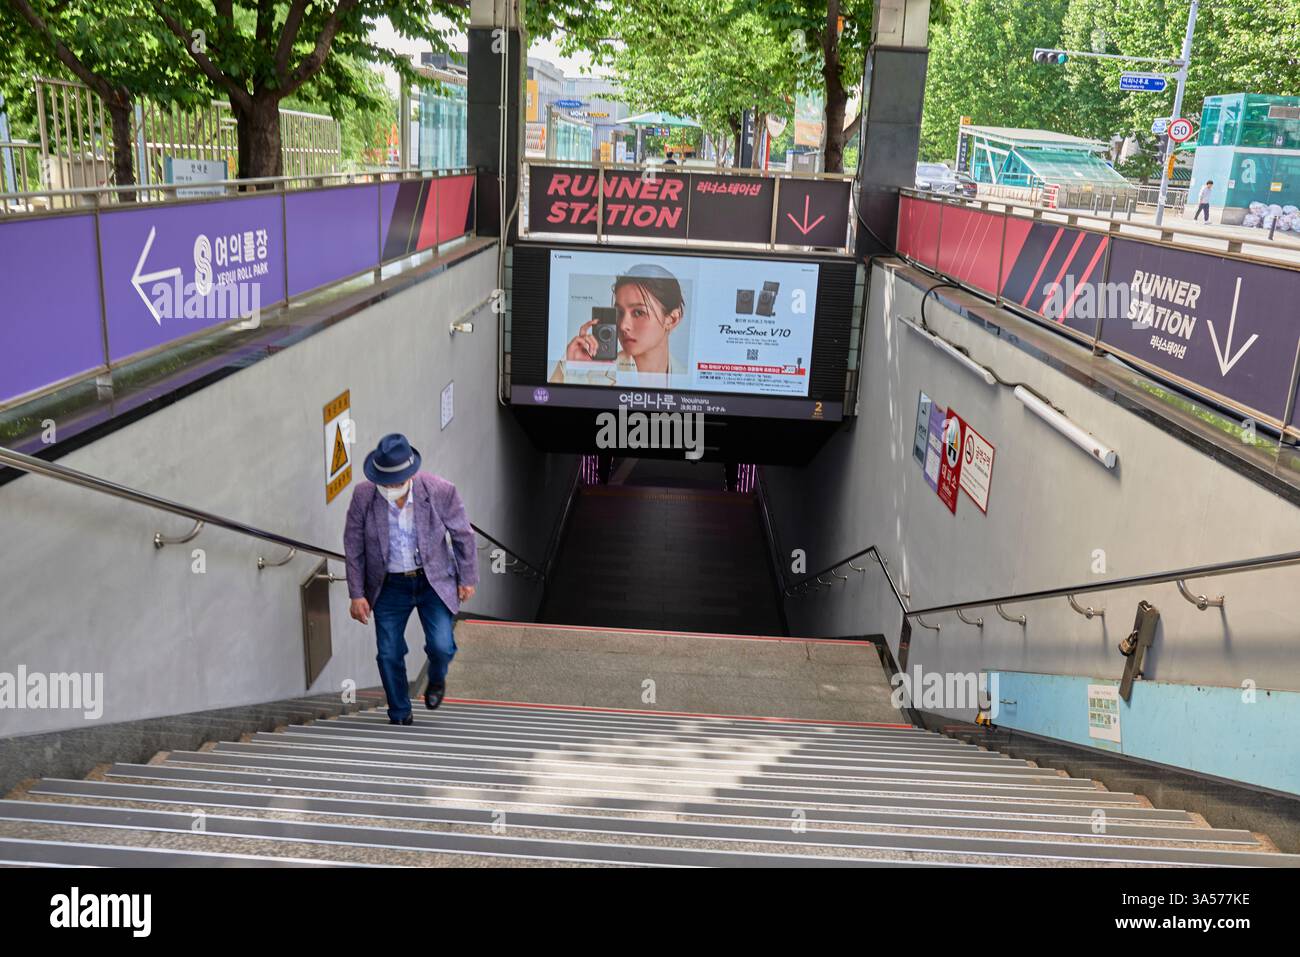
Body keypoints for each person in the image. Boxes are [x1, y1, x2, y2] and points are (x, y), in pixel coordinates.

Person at [343, 433, 478, 725]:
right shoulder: (364, 496)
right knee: (389, 653)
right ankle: (400, 713)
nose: (389, 487)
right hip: (389, 585)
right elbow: (353, 546)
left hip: (433, 581)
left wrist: (467, 578)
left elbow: (462, 535)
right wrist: (356, 594)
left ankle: (437, 680)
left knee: (441, 646)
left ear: (411, 474)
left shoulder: (440, 490)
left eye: (395, 481)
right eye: (384, 482)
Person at [550, 263, 686, 387]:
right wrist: (571, 369)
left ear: (672, 319)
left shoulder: (688, 377)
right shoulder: (592, 376)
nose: (622, 325)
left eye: (638, 312)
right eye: (619, 312)